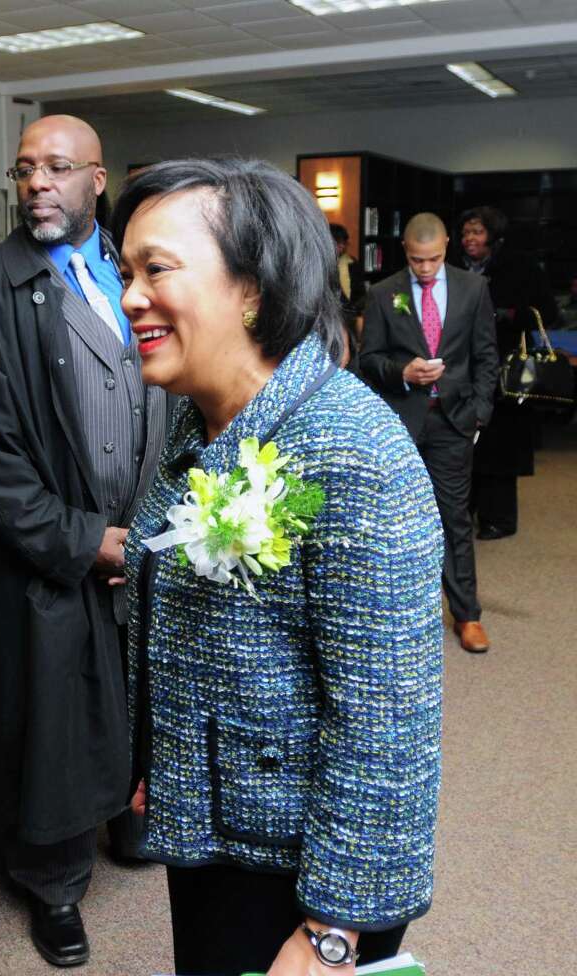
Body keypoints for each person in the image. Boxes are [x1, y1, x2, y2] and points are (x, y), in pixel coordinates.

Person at [113, 157, 444, 976]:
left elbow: (387, 721)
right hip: (215, 830)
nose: (129, 297)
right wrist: (164, 758)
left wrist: (335, 932)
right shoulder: (199, 426)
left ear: (253, 289)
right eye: (123, 271)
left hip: (299, 873)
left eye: (156, 268)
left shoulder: (351, 448)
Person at [0, 114, 170, 968]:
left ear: (97, 182)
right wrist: (82, 539)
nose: (37, 183)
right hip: (42, 550)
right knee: (48, 724)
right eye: (25, 168)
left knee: (130, 690)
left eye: (59, 168)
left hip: (138, 536)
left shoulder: (129, 274)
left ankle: (127, 815)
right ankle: (53, 885)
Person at [361, 213, 499, 654]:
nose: (425, 269)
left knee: (453, 518)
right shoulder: (383, 294)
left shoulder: (472, 288)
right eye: (418, 260)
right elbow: (368, 361)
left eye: (434, 259)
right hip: (401, 420)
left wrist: (478, 413)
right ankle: (395, 614)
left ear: (446, 249)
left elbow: (485, 355)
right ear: (405, 250)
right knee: (394, 520)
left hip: (453, 420)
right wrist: (402, 371)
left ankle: (467, 615)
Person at [457, 206, 559, 539]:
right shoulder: (454, 266)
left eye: (477, 232)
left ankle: (498, 518)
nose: (469, 239)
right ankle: (466, 509)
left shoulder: (520, 265)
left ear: (494, 236)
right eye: (466, 232)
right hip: (464, 367)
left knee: (500, 448)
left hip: (507, 368)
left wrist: (508, 315)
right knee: (466, 445)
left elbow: (548, 313)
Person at [329, 223, 365, 371]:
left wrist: (356, 310)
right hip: (333, 318)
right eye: (338, 244)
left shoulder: (353, 263)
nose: (341, 248)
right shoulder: (324, 265)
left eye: (343, 244)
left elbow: (360, 291)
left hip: (352, 315)